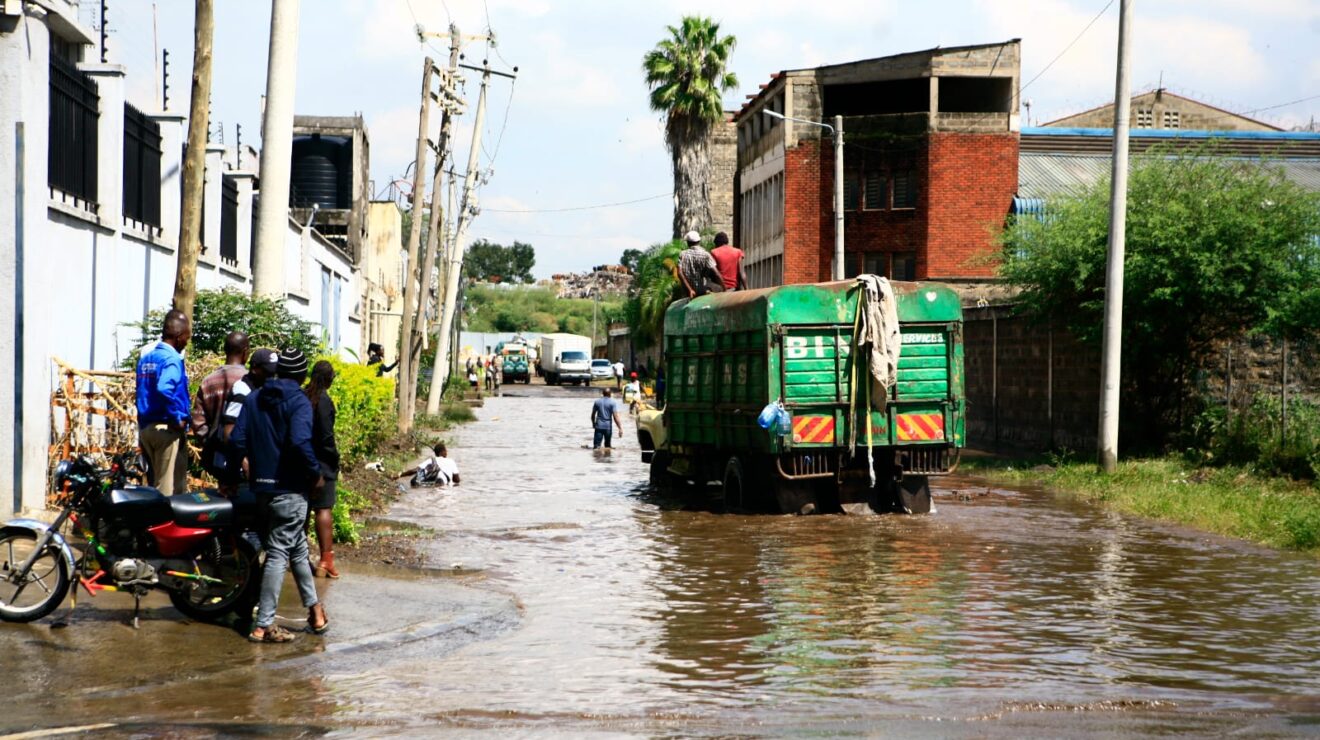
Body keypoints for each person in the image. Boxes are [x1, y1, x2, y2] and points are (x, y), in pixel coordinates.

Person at [230, 347, 328, 643]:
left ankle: (315, 611)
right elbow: (300, 442)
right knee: (277, 554)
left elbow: (237, 440)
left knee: (296, 547)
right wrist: (315, 472)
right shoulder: (299, 401)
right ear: (300, 374)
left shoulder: (254, 397)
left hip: (261, 490)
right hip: (290, 489)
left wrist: (244, 470)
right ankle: (263, 625)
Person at [136, 309, 192, 495]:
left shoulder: (146, 358)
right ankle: (160, 523)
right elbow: (164, 388)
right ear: (178, 336)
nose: (187, 341)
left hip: (146, 430)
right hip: (166, 430)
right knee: (167, 491)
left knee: (157, 483)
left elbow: (143, 393)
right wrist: (176, 417)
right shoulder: (172, 360)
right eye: (186, 337)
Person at [304, 360, 341, 579]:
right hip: (321, 464)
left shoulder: (303, 396)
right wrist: (334, 458)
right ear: (328, 379)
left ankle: (298, 556)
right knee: (323, 509)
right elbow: (326, 437)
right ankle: (326, 560)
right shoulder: (324, 402)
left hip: (301, 461)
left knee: (303, 510)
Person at [191, 331, 249, 439]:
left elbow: (197, 421)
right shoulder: (250, 381)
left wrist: (208, 442)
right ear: (245, 352)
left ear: (225, 350)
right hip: (242, 452)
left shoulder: (207, 382)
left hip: (213, 451)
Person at [677, 230, 725, 299]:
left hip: (687, 292)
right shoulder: (705, 254)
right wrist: (725, 289)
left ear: (688, 243)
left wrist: (690, 290)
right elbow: (717, 274)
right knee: (718, 288)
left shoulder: (683, 254)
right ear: (699, 241)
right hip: (702, 291)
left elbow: (679, 273)